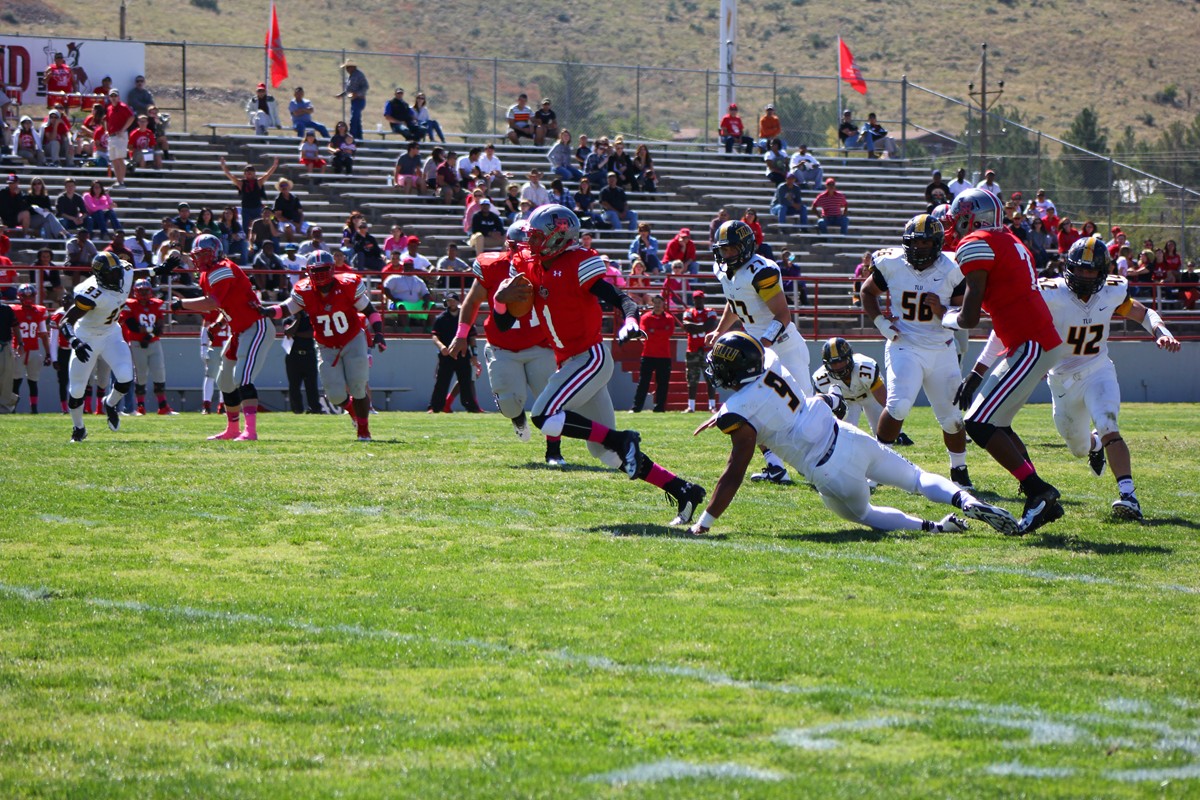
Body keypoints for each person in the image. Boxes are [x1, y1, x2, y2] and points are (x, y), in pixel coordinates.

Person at [687, 333, 1019, 537]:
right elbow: (766, 397)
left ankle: (935, 527)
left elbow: (735, 470)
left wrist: (705, 521)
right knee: (918, 478)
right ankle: (966, 500)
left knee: (865, 514)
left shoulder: (738, 409)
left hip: (827, 470)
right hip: (847, 436)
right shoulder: (771, 361)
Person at [495, 204, 706, 524]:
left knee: (542, 415)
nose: (530, 243)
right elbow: (503, 322)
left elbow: (620, 297)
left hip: (589, 358)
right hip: (569, 360)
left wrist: (631, 320)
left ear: (558, 238)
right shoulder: (529, 262)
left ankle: (624, 439)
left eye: (538, 236)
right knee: (604, 453)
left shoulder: (578, 261)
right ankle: (682, 489)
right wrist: (501, 298)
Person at [944, 188, 1066, 534]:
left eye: (961, 216)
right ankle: (1039, 494)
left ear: (974, 216)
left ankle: (1039, 492)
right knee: (996, 422)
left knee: (980, 424)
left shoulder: (977, 243)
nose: (957, 224)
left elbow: (968, 318)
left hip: (1031, 344)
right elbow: (1001, 319)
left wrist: (942, 317)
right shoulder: (1009, 240)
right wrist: (976, 375)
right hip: (1029, 341)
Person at [1034, 236, 1181, 520]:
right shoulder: (1050, 292)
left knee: (1108, 425)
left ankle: (1129, 496)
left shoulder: (1112, 291)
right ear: (1069, 268)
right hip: (1062, 377)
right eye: (1081, 269)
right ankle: (1094, 445)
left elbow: (1142, 312)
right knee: (1077, 447)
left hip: (1098, 370)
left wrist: (1161, 332)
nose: (1086, 276)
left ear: (1102, 272)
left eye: (1092, 271)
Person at [860, 214, 974, 487]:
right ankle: (877, 468)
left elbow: (965, 312)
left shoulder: (952, 268)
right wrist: (882, 324)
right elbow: (867, 292)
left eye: (925, 242)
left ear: (936, 243)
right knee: (898, 405)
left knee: (952, 418)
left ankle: (959, 469)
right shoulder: (892, 263)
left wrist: (942, 311)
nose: (919, 248)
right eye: (915, 242)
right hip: (905, 344)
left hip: (941, 348)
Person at [705, 218, 811, 485]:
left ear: (746, 246)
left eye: (731, 249)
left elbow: (783, 314)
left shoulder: (761, 270)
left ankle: (822, 463)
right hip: (754, 347)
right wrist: (720, 330)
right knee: (752, 409)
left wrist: (762, 344)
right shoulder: (725, 271)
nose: (726, 254)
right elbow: (735, 302)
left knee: (806, 410)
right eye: (723, 249)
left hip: (783, 344)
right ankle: (775, 466)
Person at [447, 223, 564, 462]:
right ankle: (518, 417)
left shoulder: (547, 265)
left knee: (551, 401)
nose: (529, 250)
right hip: (502, 346)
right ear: (509, 246)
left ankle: (553, 452)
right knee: (510, 405)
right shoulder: (494, 267)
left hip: (539, 344)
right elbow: (471, 302)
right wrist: (461, 334)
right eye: (524, 245)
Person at [262, 251, 386, 440]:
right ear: (308, 272)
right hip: (326, 345)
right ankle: (353, 411)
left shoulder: (347, 285)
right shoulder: (304, 290)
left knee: (358, 387)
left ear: (332, 269)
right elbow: (286, 308)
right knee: (335, 395)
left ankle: (363, 429)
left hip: (352, 339)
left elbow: (370, 310)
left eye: (323, 270)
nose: (319, 275)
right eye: (315, 271)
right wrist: (267, 311)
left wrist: (379, 333)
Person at [168, 234, 277, 441]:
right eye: (197, 255)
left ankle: (250, 431)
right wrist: (219, 323)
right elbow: (224, 304)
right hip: (239, 329)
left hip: (256, 326)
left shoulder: (222, 268)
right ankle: (232, 429)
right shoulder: (208, 273)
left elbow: (212, 302)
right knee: (225, 380)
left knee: (242, 378)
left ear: (215, 252)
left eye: (204, 254)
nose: (200, 259)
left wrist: (182, 304)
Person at [59, 252, 170, 441]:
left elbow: (133, 273)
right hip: (87, 337)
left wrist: (158, 270)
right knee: (77, 389)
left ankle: (109, 404)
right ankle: (79, 428)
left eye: (117, 271)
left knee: (126, 378)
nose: (117, 276)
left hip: (111, 333)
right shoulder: (90, 292)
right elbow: (65, 321)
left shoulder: (123, 272)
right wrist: (75, 342)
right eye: (112, 273)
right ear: (101, 275)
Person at [121, 278, 176, 415]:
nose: (144, 294)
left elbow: (160, 327)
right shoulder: (130, 305)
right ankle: (141, 407)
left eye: (146, 290)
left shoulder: (156, 304)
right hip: (137, 345)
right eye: (141, 291)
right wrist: (149, 332)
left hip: (153, 343)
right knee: (141, 375)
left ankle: (163, 407)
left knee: (159, 373)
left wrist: (147, 334)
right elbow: (133, 326)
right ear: (135, 292)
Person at [812, 338, 886, 436]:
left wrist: (895, 423)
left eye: (841, 361)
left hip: (869, 395)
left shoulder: (864, 367)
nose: (838, 367)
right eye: (833, 363)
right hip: (846, 402)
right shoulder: (822, 379)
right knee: (843, 435)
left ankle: (899, 434)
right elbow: (821, 410)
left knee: (883, 432)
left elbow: (885, 401)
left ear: (849, 357)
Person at [428, 293, 481, 413]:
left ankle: (471, 407)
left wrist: (474, 355)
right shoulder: (441, 318)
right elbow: (435, 336)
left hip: (462, 354)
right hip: (446, 355)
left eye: (453, 300)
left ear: (458, 302)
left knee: (466, 382)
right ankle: (435, 407)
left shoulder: (465, 318)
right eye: (448, 301)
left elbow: (472, 338)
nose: (451, 303)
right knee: (442, 382)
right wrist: (441, 347)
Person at [9, 284, 51, 413]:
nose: (28, 298)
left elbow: (44, 334)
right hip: (18, 349)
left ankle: (34, 409)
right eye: (25, 295)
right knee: (16, 381)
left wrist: (48, 353)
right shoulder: (13, 310)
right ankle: (13, 408)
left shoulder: (40, 310)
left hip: (33, 350)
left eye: (30, 295)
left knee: (33, 381)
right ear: (19, 296)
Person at [630, 295, 676, 413]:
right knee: (643, 383)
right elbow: (645, 333)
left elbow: (668, 333)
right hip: (648, 355)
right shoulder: (645, 317)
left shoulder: (669, 318)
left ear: (663, 304)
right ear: (652, 304)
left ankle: (660, 408)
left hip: (664, 356)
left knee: (662, 383)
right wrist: (659, 332)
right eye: (655, 303)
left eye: (659, 303)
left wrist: (653, 331)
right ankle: (636, 407)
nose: (657, 305)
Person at [680, 290, 719, 413]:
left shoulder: (710, 311)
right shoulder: (688, 312)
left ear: (704, 299)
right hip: (692, 350)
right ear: (693, 300)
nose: (698, 301)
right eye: (696, 299)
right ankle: (691, 406)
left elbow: (711, 326)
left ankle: (712, 406)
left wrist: (695, 326)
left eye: (700, 298)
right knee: (692, 379)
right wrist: (702, 326)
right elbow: (687, 327)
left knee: (710, 378)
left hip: (707, 350)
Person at [219, 156, 280, 232]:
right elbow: (230, 176)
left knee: (258, 227)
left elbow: (268, 174)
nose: (249, 172)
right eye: (247, 171)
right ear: (244, 174)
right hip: (246, 208)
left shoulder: (259, 182)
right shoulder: (241, 183)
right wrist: (224, 167)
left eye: (251, 171)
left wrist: (274, 166)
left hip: (257, 208)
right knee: (245, 228)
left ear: (254, 173)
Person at [198, 309, 230, 414]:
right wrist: (203, 346)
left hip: (228, 346)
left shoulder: (231, 308)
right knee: (210, 375)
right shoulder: (212, 309)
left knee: (226, 377)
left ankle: (223, 405)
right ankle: (206, 405)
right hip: (215, 345)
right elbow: (205, 327)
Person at [105, 89, 135, 187]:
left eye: (115, 96)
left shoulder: (123, 107)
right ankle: (118, 180)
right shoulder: (109, 108)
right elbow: (107, 120)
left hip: (120, 136)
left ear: (118, 97)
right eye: (111, 96)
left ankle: (121, 181)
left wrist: (123, 129)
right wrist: (107, 131)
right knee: (114, 159)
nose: (113, 98)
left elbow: (132, 117)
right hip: (111, 136)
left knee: (120, 158)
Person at [336, 60, 369, 141]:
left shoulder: (359, 75)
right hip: (354, 101)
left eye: (348, 67)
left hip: (359, 100)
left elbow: (365, 87)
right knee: (357, 119)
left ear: (353, 67)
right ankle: (359, 138)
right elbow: (348, 90)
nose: (347, 69)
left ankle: (352, 137)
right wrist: (342, 94)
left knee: (354, 118)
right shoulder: (350, 76)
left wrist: (357, 94)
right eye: (346, 67)